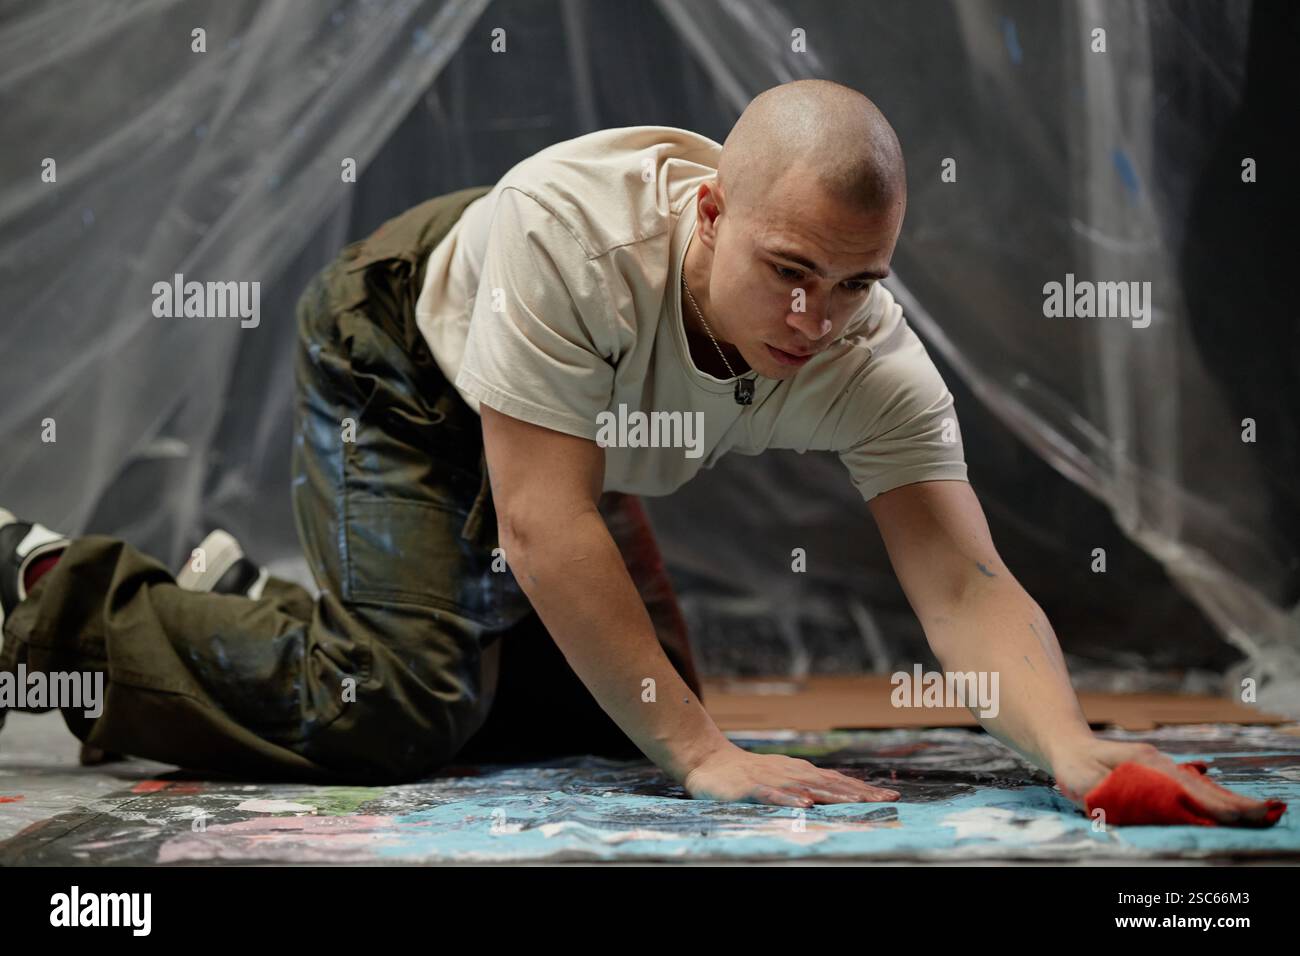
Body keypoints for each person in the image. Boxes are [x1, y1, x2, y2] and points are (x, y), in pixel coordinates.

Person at [0, 79, 1279, 822]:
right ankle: (51, 591)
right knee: (401, 705)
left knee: (605, 728)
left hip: (577, 432)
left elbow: (964, 581)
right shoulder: (572, 239)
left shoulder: (865, 348)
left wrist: (1068, 745)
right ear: (708, 211)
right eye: (787, 271)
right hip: (406, 349)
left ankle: (253, 615)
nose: (811, 319)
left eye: (852, 283)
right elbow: (544, 524)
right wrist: (705, 751)